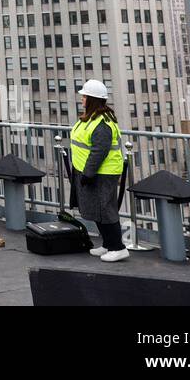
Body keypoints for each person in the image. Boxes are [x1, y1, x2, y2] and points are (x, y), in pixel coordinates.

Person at [69, 79, 128, 263]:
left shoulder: (101, 123)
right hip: (89, 171)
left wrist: (88, 173)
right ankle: (108, 244)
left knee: (105, 209)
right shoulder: (91, 118)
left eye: (85, 96)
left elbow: (99, 152)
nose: (82, 99)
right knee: (97, 210)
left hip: (102, 173)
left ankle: (118, 247)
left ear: (93, 99)